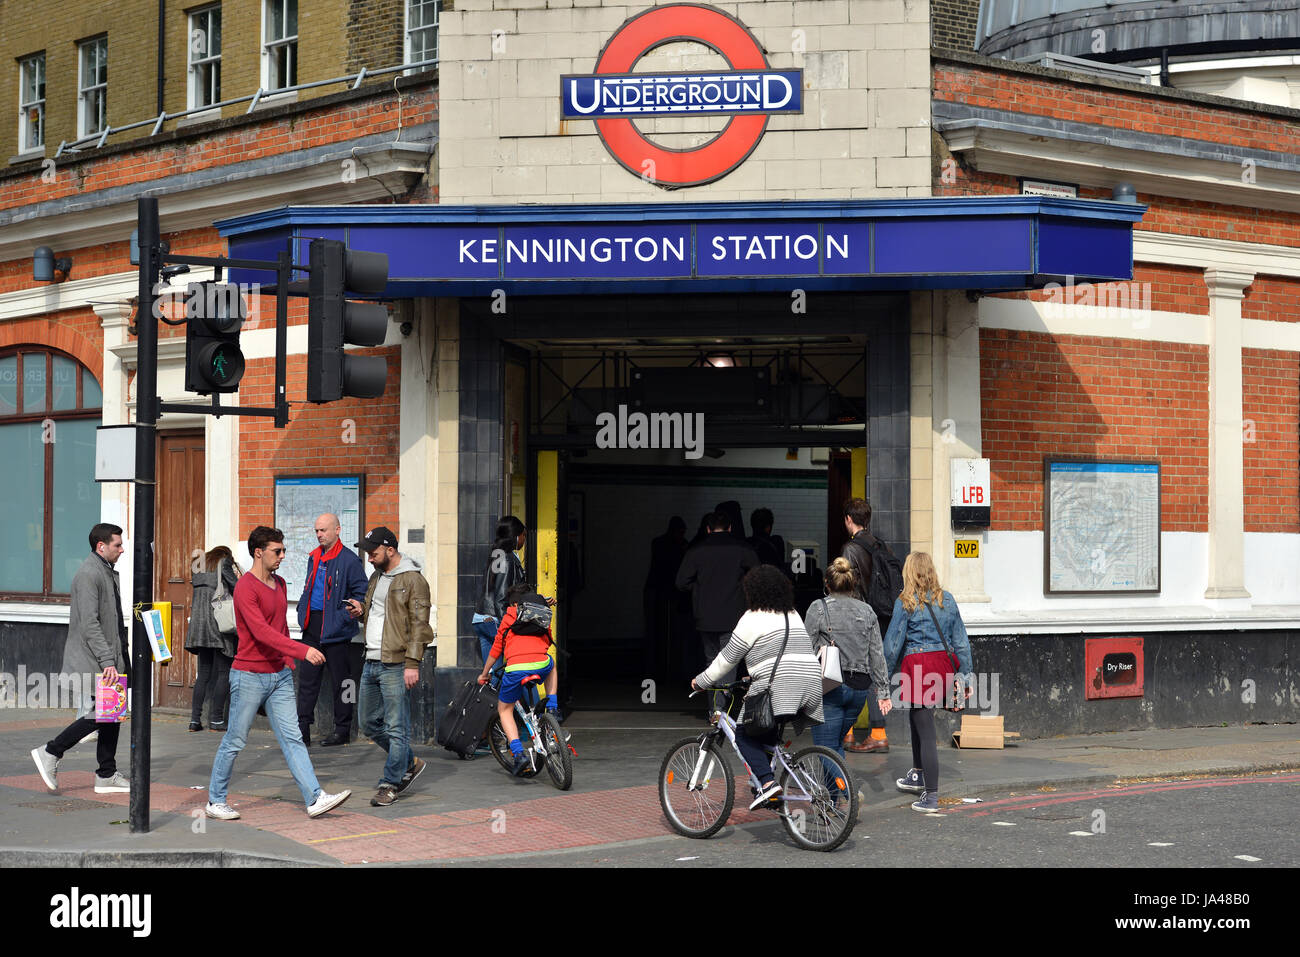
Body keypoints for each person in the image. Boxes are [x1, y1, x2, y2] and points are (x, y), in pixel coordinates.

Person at [205, 526, 351, 821]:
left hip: (279, 675)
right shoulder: (246, 587)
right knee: (235, 739)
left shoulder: (281, 583)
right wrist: (301, 651)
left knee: (293, 737)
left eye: (283, 550)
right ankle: (215, 800)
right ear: (258, 552)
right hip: (249, 675)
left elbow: (279, 627)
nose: (282, 556)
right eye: (277, 551)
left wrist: (287, 658)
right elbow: (260, 632)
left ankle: (314, 797)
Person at [691, 565, 823, 809]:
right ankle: (771, 786)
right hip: (811, 681)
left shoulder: (751, 618)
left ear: (751, 592)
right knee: (764, 733)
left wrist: (701, 682)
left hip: (780, 684)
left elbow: (726, 659)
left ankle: (766, 783)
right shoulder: (791, 613)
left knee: (743, 735)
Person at [31, 524, 131, 795]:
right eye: (117, 545)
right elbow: (89, 624)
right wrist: (108, 660)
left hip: (110, 655)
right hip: (97, 658)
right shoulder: (89, 574)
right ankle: (51, 750)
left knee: (112, 714)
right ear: (101, 546)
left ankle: (106, 774)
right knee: (104, 713)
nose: (122, 549)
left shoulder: (104, 571)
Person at [346, 526, 435, 807]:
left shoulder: (413, 580)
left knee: (397, 727)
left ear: (390, 550)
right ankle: (410, 762)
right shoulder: (377, 576)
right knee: (369, 723)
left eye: (373, 552)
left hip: (396, 664)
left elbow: (420, 626)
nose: (370, 558)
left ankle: (390, 783)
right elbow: (381, 616)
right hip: (371, 659)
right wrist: (361, 611)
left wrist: (413, 663)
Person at [882, 552, 974, 814]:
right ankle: (918, 774)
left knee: (926, 731)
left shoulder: (905, 602)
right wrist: (966, 676)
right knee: (917, 718)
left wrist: (883, 678)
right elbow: (961, 642)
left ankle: (931, 795)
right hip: (942, 667)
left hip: (918, 668)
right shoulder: (948, 600)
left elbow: (892, 646)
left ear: (909, 573)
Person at [803, 557, 892, 760]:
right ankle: (840, 790)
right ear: (853, 584)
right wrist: (884, 692)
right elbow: (877, 654)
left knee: (825, 749)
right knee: (834, 745)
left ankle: (847, 791)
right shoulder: (867, 611)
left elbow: (806, 652)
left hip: (829, 686)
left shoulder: (818, 608)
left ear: (827, 583)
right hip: (859, 690)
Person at [295, 513, 369, 747]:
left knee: (344, 682)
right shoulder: (313, 557)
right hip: (312, 626)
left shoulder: (349, 560)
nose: (319, 535)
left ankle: (343, 730)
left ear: (337, 530)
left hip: (337, 629)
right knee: (307, 681)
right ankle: (303, 728)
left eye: (323, 530)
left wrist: (352, 610)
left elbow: (361, 592)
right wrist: (301, 611)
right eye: (316, 531)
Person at [675, 511, 759, 711]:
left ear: (708, 529)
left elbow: (681, 582)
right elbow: (758, 575)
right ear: (730, 528)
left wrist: (699, 589)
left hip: (705, 617)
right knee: (728, 664)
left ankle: (715, 710)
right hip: (733, 617)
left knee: (711, 662)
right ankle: (721, 710)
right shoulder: (742, 549)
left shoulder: (696, 551)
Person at [839, 497, 903, 753]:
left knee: (847, 672)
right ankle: (878, 732)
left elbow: (847, 587)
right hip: (883, 617)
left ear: (848, 519)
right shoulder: (882, 546)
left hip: (857, 618)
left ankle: (847, 734)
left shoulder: (850, 549)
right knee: (876, 671)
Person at [478, 582, 558, 776]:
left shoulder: (508, 616)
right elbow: (548, 638)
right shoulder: (540, 612)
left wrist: (485, 672)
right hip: (540, 663)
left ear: (513, 604)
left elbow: (497, 648)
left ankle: (518, 754)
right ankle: (553, 707)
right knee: (552, 665)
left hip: (515, 669)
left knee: (505, 709)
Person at [186, 546, 241, 733]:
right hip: (218, 623)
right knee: (224, 672)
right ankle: (216, 720)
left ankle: (194, 720)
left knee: (203, 674)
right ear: (226, 555)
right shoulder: (223, 562)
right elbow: (237, 588)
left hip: (199, 625)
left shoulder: (198, 566)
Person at [473, 516, 527, 676]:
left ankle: (487, 700)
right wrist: (510, 626)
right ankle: (534, 702)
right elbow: (501, 598)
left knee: (492, 675)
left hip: (482, 618)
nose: (524, 540)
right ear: (516, 536)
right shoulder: (507, 558)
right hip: (495, 620)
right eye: (523, 535)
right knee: (519, 669)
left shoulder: (496, 553)